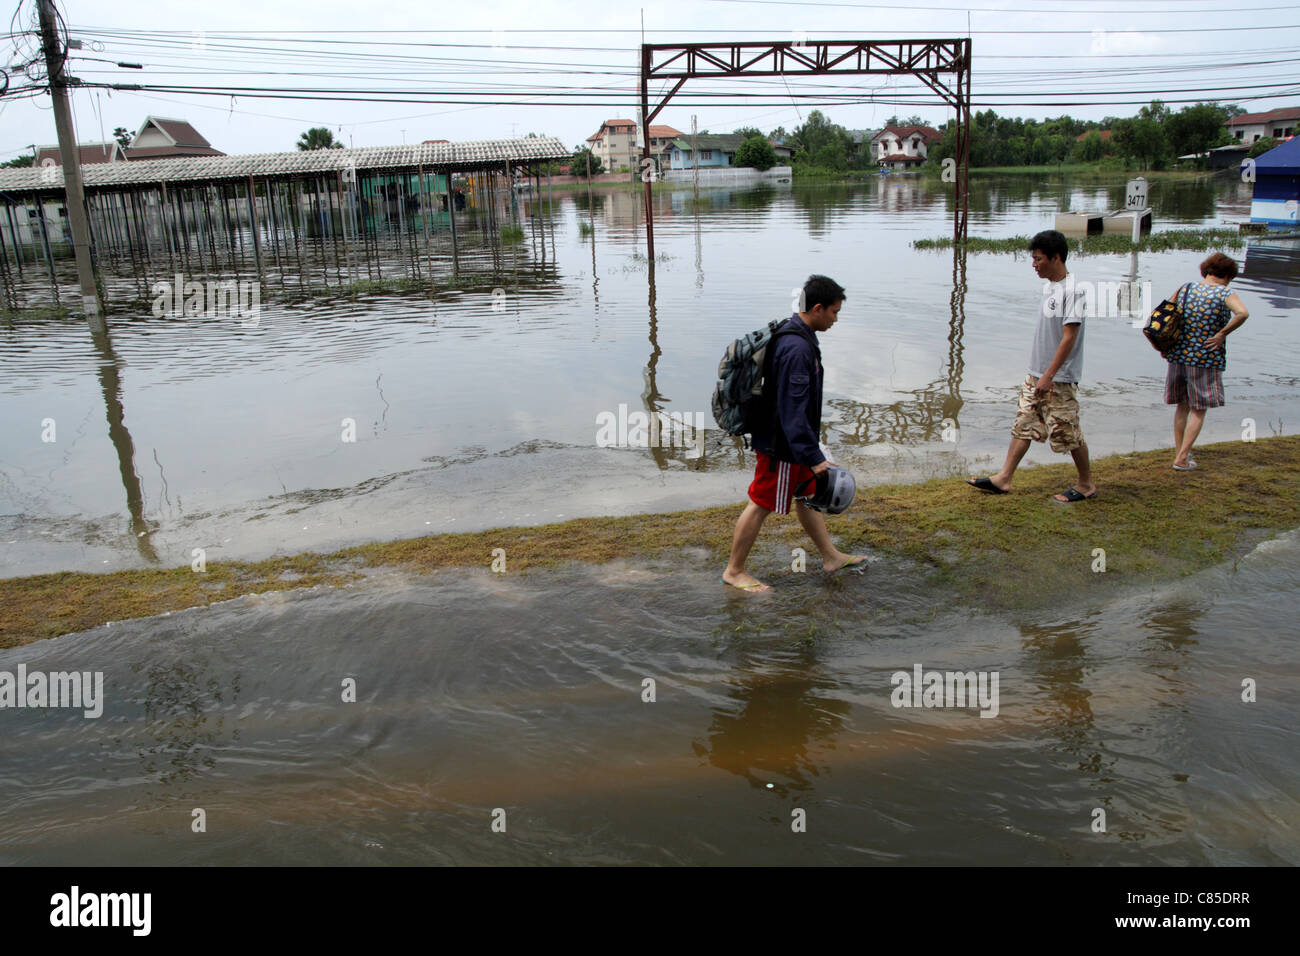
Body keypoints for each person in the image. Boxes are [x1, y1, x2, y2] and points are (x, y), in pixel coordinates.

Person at [722, 275, 867, 593]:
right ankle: (734, 571)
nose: (835, 319)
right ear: (817, 308)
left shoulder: (796, 336)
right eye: (834, 312)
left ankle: (830, 557)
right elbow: (792, 411)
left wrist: (811, 453)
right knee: (761, 502)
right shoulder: (797, 349)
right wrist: (814, 457)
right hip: (781, 446)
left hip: (795, 444)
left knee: (808, 495)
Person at [967, 229, 1097, 503]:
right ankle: (1004, 478)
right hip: (1036, 373)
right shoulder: (1051, 287)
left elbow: (1069, 338)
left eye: (1038, 259)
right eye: (1033, 259)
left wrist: (1049, 376)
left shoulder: (1073, 291)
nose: (1034, 264)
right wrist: (1038, 374)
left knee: (1067, 430)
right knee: (1024, 423)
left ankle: (1086, 485)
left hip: (1058, 377)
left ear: (1056, 257)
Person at [1163, 252, 1249, 470]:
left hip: (1178, 355)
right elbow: (1242, 313)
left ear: (1206, 270)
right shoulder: (1224, 292)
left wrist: (1164, 345)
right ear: (1228, 275)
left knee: (1182, 406)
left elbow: (1165, 313)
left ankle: (1181, 451)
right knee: (1199, 409)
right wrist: (1222, 334)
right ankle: (1182, 459)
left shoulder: (1186, 289)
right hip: (1205, 357)